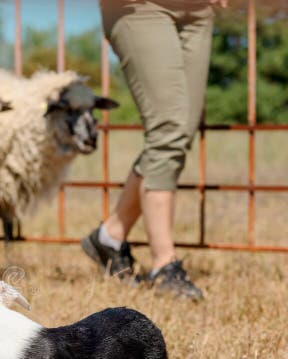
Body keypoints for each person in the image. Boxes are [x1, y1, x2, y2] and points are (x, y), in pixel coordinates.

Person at [81, 0, 225, 300]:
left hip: (199, 10)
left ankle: (110, 236)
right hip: (140, 7)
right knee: (169, 129)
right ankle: (164, 263)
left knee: (180, 132)